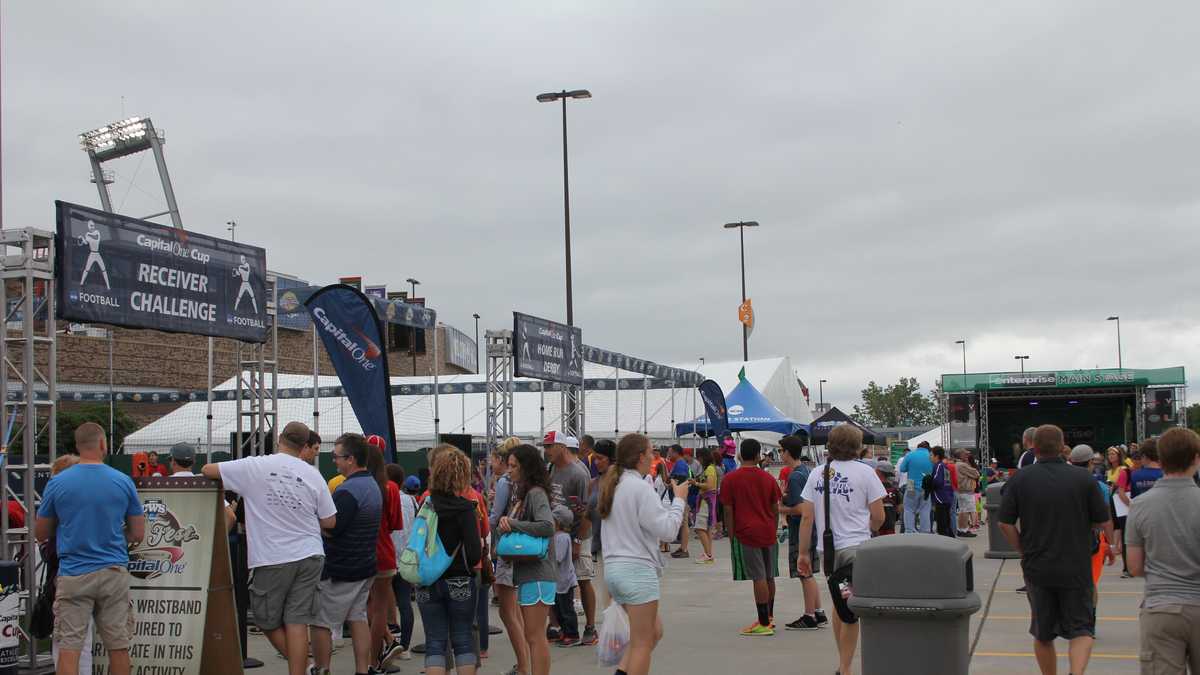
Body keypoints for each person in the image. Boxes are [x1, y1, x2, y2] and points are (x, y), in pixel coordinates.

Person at [202, 421, 337, 675]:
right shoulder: (313, 474)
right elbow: (330, 520)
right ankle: (303, 671)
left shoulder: (256, 466)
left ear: (279, 439)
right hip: (311, 553)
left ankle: (307, 668)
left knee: (264, 619)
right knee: (297, 621)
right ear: (304, 446)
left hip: (272, 555)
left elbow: (208, 469)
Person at [997, 424, 1116, 675]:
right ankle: (1077, 672)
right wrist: (1110, 544)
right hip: (1077, 564)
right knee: (1082, 629)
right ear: (1063, 448)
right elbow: (1102, 520)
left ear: (1034, 446)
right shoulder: (1084, 479)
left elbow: (1004, 522)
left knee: (1043, 633)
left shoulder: (1020, 478)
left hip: (1037, 565)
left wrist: (1021, 548)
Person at [35, 423, 144, 675]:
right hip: (113, 570)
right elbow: (138, 532)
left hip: (73, 572)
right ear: (104, 445)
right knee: (118, 646)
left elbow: (41, 532)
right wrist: (114, 539)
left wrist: (69, 532)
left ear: (77, 446)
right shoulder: (122, 481)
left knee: (69, 647)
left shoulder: (58, 483)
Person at [797, 424, 886, 675]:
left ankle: (841, 662)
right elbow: (879, 516)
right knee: (851, 611)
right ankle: (846, 669)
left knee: (840, 603)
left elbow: (806, 518)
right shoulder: (866, 473)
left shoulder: (817, 473)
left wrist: (804, 554)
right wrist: (867, 527)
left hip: (828, 551)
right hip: (857, 550)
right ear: (858, 446)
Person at [597, 433, 687, 675]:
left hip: (615, 571)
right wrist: (679, 501)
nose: (653, 456)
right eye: (650, 451)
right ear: (640, 457)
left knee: (653, 631)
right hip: (636, 572)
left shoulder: (616, 486)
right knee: (642, 644)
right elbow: (668, 531)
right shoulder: (639, 487)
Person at [303, 433, 382, 675]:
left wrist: (317, 525)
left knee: (320, 621)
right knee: (357, 617)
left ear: (350, 458)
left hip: (341, 569)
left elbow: (332, 527)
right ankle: (362, 669)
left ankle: (322, 669)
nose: (334, 461)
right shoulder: (372, 485)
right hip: (365, 565)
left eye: (336, 456)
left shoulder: (347, 491)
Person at [1126, 427, 1200, 674]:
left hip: (1161, 606)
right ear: (1196, 458)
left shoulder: (1140, 505)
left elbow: (1134, 567)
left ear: (1159, 458)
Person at [418, 445, 485, 675]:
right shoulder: (466, 509)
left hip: (427, 580)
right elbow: (475, 552)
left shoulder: (426, 505)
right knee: (463, 639)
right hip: (459, 580)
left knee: (435, 641)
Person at [498, 444, 557, 675]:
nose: (509, 470)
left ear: (526, 468)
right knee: (533, 635)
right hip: (531, 573)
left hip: (538, 573)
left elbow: (547, 526)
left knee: (534, 636)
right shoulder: (529, 493)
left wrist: (512, 524)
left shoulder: (535, 493)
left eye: (514, 466)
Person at [719, 438, 782, 637]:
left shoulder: (730, 479)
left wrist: (731, 533)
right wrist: (774, 527)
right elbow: (775, 508)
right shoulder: (768, 478)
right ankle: (769, 617)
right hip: (768, 530)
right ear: (757, 456)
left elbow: (728, 510)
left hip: (746, 532)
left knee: (759, 577)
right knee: (769, 574)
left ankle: (763, 622)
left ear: (739, 455)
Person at [542, 431, 597, 647]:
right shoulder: (552, 468)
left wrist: (577, 540)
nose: (546, 451)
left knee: (582, 579)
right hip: (558, 532)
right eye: (545, 447)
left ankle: (590, 627)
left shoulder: (578, 473)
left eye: (549, 447)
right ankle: (557, 625)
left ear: (561, 447)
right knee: (557, 581)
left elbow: (587, 510)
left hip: (578, 533)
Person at [488, 437, 529, 675]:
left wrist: (485, 534)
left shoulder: (505, 482)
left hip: (506, 547)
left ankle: (524, 665)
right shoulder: (524, 483)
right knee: (513, 610)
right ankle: (524, 661)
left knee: (508, 611)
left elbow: (496, 516)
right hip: (517, 548)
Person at [365, 438, 406, 672]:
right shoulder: (391, 488)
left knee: (365, 606)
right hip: (384, 552)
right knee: (379, 607)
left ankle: (376, 656)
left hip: (361, 553)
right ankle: (386, 645)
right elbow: (394, 524)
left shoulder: (352, 484)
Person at [778, 435, 826, 631]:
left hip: (802, 529)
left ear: (788, 452)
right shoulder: (807, 471)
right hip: (813, 528)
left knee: (804, 572)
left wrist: (781, 510)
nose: (780, 454)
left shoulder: (795, 475)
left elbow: (800, 508)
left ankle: (809, 615)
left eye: (781, 451)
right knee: (809, 572)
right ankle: (818, 611)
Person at [386, 464, 418, 660]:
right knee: (405, 604)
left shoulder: (385, 496)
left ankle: (390, 642)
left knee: (381, 604)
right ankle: (404, 646)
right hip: (406, 558)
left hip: (387, 556)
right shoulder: (412, 501)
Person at [550, 506, 579, 647]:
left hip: (564, 581)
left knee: (567, 609)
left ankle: (572, 634)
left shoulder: (562, 537)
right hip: (558, 581)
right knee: (558, 609)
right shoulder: (556, 536)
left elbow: (558, 557)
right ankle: (564, 631)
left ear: (559, 522)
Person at [689, 447, 720, 564]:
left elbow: (710, 485)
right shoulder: (708, 469)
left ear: (702, 457)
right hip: (706, 501)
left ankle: (708, 554)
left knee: (699, 528)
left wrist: (696, 483)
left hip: (706, 502)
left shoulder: (710, 469)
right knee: (706, 529)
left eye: (699, 458)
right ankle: (708, 553)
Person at [897, 441, 933, 534]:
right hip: (927, 485)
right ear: (928, 448)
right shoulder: (931, 456)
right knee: (925, 509)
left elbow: (902, 469)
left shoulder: (910, 455)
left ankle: (909, 530)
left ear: (917, 447)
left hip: (911, 483)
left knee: (909, 508)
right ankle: (925, 531)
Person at [666, 444, 692, 559]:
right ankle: (682, 547)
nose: (668, 454)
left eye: (670, 452)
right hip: (680, 497)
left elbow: (680, 480)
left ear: (676, 453)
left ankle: (684, 548)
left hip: (681, 498)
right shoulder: (679, 463)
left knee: (684, 522)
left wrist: (670, 484)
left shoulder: (680, 464)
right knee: (683, 523)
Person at [929, 447, 956, 538]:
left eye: (931, 455)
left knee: (942, 525)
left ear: (936, 456)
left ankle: (945, 544)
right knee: (947, 522)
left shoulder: (938, 466)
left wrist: (928, 482)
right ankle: (951, 540)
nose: (930, 457)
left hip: (940, 497)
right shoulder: (945, 466)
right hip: (947, 497)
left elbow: (937, 481)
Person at [955, 451, 980, 537]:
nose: (967, 456)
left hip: (961, 490)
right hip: (966, 491)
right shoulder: (962, 465)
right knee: (966, 511)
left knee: (963, 510)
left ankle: (961, 529)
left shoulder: (957, 464)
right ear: (960, 455)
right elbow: (976, 474)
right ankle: (964, 530)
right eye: (965, 454)